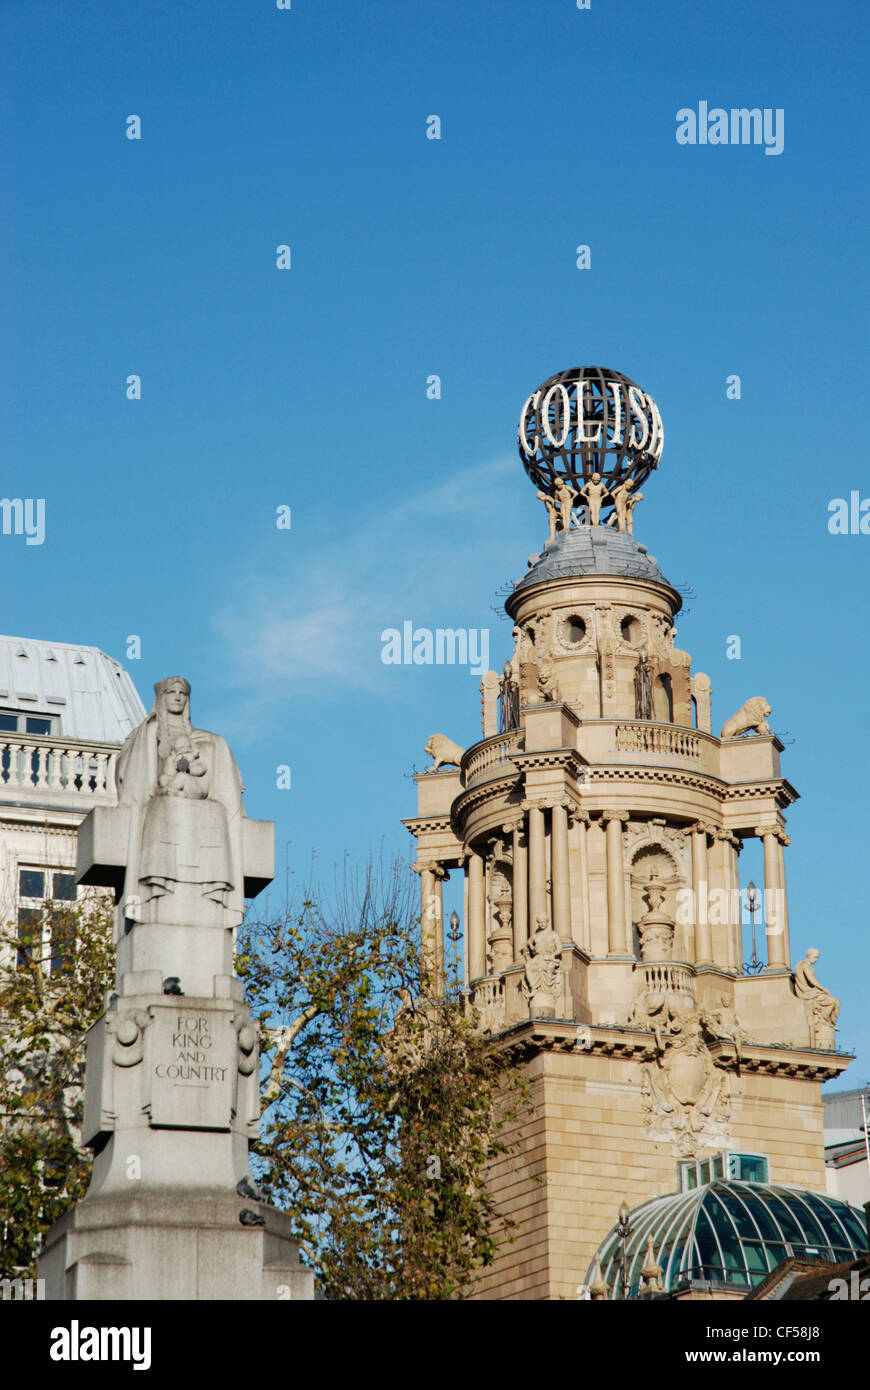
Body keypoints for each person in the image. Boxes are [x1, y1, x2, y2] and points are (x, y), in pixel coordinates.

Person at [116, 677, 247, 930]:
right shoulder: (146, 734)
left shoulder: (206, 739)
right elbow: (128, 771)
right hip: (163, 803)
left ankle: (215, 886)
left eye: (183, 693)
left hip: (198, 802)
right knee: (163, 808)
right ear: (161, 698)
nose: (177, 697)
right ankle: (156, 881)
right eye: (171, 692)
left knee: (216, 810)